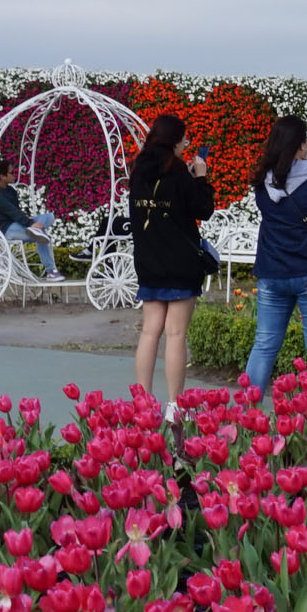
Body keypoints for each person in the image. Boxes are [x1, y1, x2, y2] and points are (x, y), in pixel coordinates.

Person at [244, 115, 307, 394]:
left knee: (264, 343)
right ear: (300, 145)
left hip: (271, 273)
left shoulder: (262, 182)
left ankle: (244, 414)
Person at [128, 115, 216, 420]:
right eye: (184, 139)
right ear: (175, 140)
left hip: (148, 261)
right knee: (176, 334)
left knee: (149, 332)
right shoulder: (179, 171)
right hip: (181, 262)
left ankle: (143, 405)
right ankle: (175, 406)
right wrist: (201, 177)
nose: (187, 144)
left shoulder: (139, 169)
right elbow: (202, 209)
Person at [0, 154, 67, 282]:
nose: (14, 175)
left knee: (49, 217)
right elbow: (11, 211)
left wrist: (30, 223)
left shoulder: (11, 191)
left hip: (17, 224)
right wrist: (30, 223)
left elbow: (17, 212)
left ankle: (36, 232)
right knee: (41, 233)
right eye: (11, 173)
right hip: (5, 230)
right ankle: (50, 271)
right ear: (2, 176)